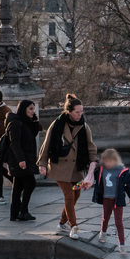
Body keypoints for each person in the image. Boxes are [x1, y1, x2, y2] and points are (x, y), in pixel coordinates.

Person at [38, 94, 99, 240]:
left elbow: (91, 147)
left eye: (81, 111)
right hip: (59, 167)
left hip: (76, 167)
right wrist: (42, 163)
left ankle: (62, 223)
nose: (80, 114)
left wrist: (94, 162)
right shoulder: (57, 124)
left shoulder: (84, 126)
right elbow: (46, 145)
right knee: (69, 195)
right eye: (77, 112)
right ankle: (74, 226)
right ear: (69, 112)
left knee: (76, 194)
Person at [93, 148, 130, 255]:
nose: (108, 163)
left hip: (117, 200)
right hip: (106, 199)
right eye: (106, 161)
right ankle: (103, 233)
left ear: (115, 160)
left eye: (110, 161)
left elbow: (128, 186)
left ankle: (122, 245)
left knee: (118, 223)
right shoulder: (101, 169)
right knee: (105, 218)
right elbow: (93, 176)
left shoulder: (121, 171)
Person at [7, 99, 42, 222]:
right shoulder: (16, 123)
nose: (33, 111)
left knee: (18, 186)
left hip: (25, 158)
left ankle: (15, 213)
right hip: (20, 159)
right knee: (30, 183)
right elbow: (14, 143)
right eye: (30, 109)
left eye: (34, 109)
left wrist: (35, 122)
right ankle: (23, 211)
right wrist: (21, 159)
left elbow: (31, 135)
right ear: (23, 109)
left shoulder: (24, 122)